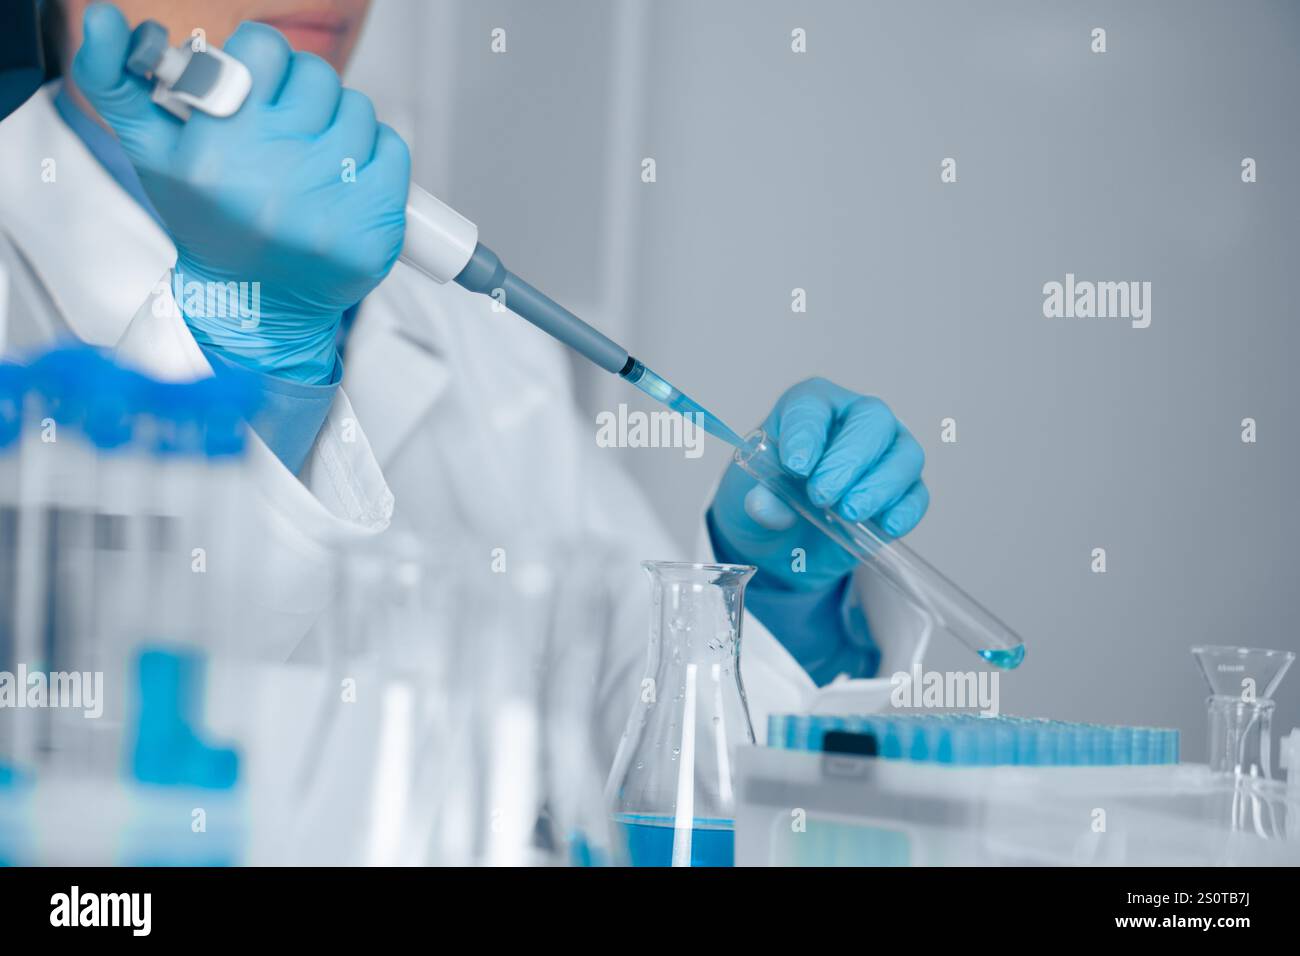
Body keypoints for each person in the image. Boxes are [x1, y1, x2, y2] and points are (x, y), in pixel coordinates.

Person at [0, 0, 932, 759]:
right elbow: (65, 746)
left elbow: (643, 767)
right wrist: (245, 349)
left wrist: (770, 602)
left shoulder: (458, 322)